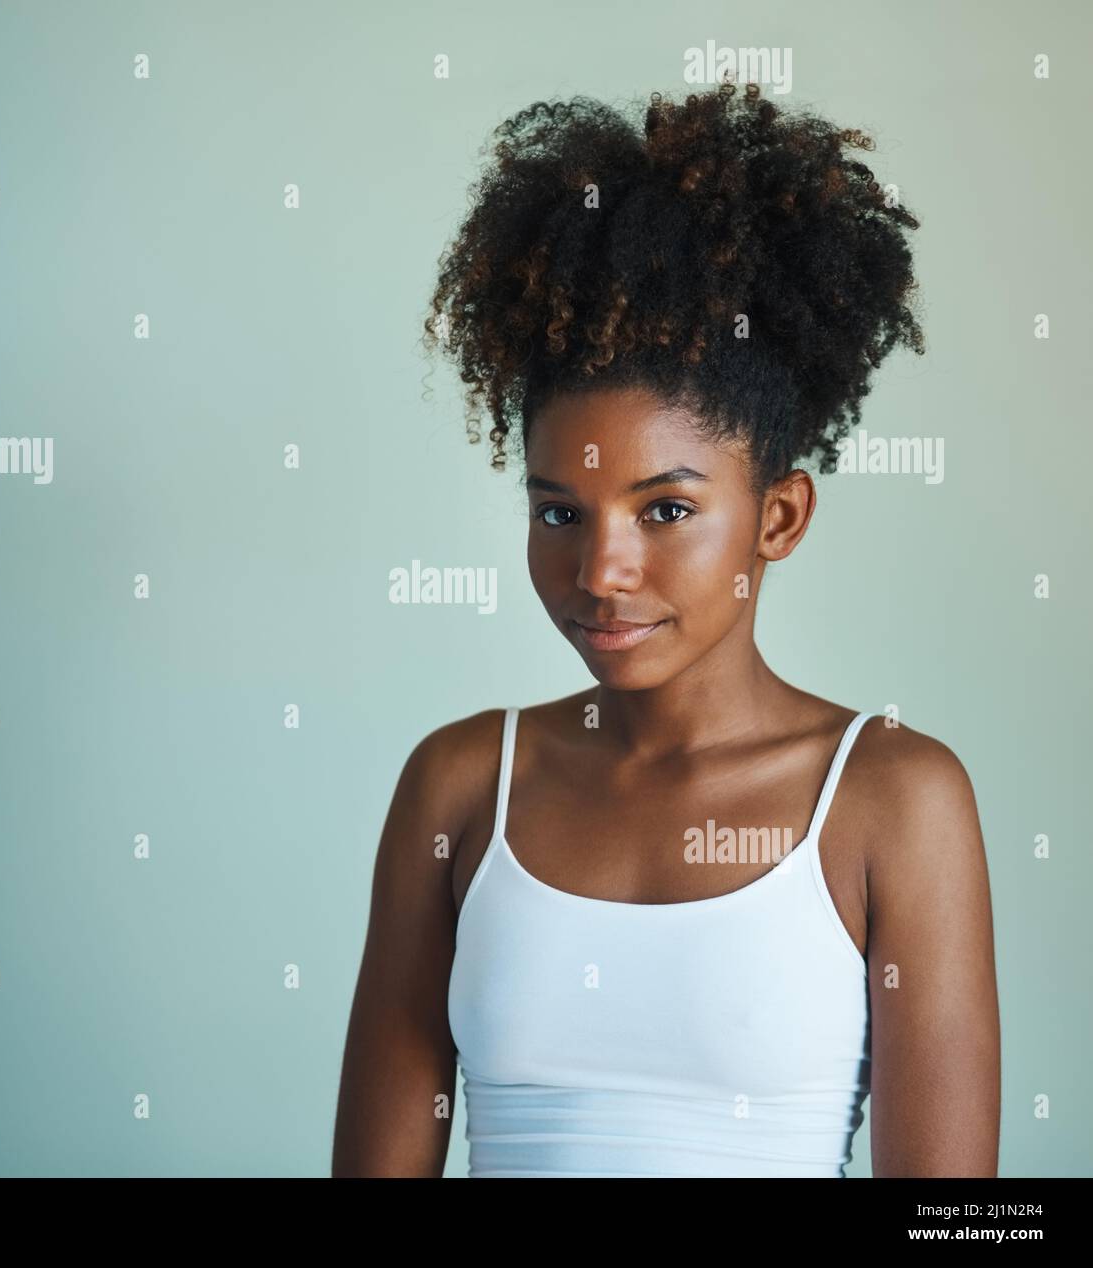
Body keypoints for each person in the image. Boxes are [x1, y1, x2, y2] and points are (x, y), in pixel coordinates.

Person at [332, 80, 999, 1178]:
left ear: (776, 516)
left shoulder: (892, 796)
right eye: (558, 511)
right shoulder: (459, 787)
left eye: (667, 509)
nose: (600, 569)